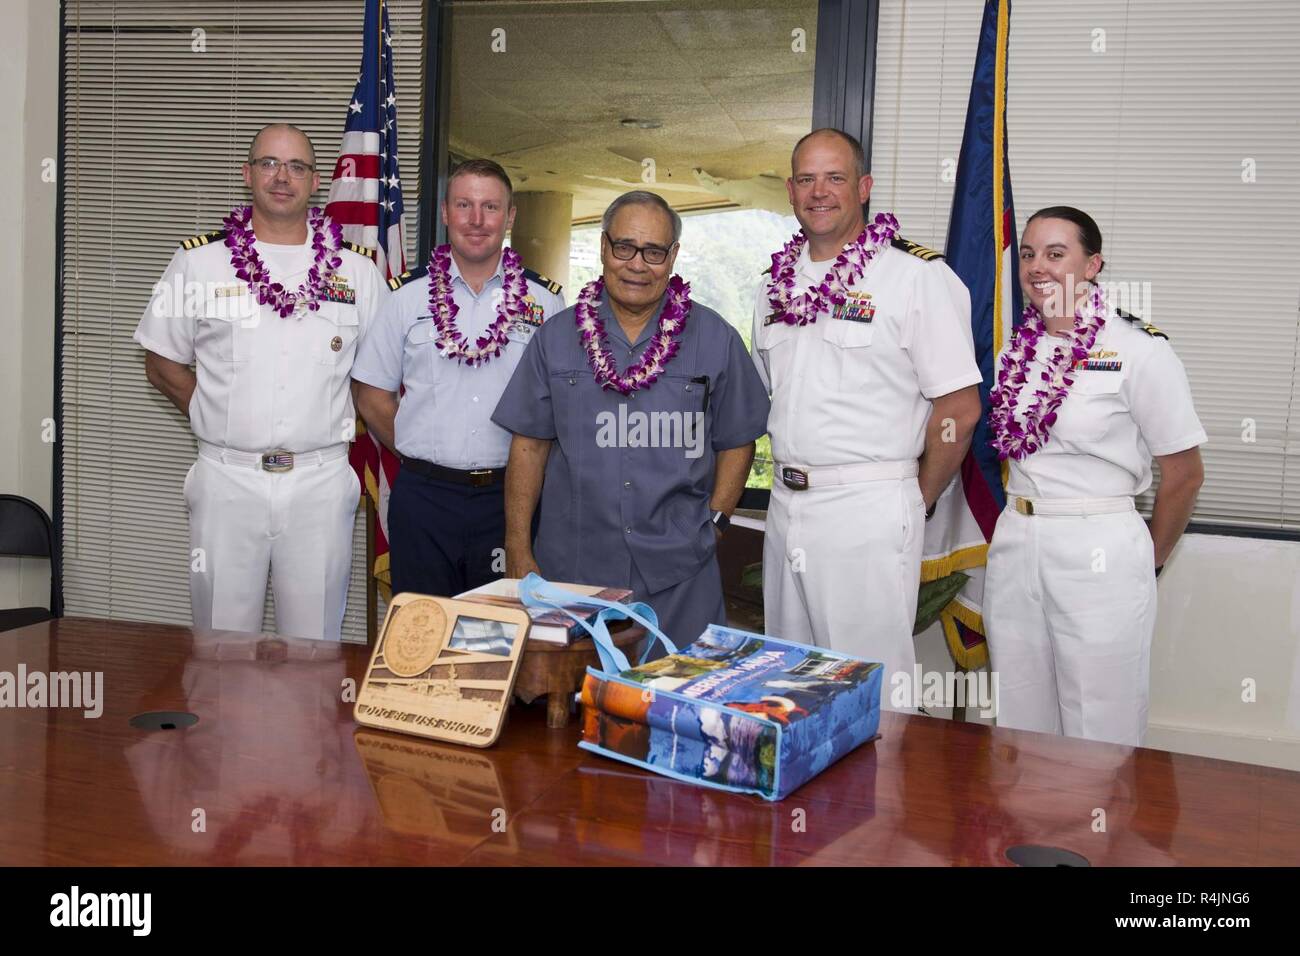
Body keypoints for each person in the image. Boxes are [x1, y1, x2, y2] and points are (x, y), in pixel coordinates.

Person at [751, 128, 983, 701]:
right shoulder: (771, 287)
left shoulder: (915, 277)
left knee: (870, 691)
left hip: (868, 507)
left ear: (864, 188)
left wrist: (916, 497)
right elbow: (771, 396)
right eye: (806, 179)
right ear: (790, 190)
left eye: (835, 178)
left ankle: (878, 795)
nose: (819, 191)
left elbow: (960, 409)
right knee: (790, 683)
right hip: (785, 506)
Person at [134, 123, 386, 640]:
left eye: (297, 166)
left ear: (316, 181)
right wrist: (215, 412)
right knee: (219, 646)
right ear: (247, 174)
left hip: (319, 481)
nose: (282, 177)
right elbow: (161, 361)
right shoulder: (198, 262)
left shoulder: (359, 273)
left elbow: (377, 378)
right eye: (269, 163)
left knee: (313, 648)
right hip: (227, 479)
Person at [493, 190, 770, 647]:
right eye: (624, 247)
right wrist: (518, 546)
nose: (637, 264)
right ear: (604, 247)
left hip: (680, 571)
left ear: (673, 256)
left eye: (654, 251)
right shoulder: (556, 338)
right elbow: (529, 445)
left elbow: (738, 439)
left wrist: (715, 522)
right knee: (572, 707)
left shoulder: (714, 337)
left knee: (679, 701)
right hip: (572, 571)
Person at [985, 206, 1205, 746]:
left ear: (1093, 265)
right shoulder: (1017, 349)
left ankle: (1098, 830)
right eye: (1030, 253)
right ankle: (1031, 826)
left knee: (1098, 714)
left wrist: (1146, 560)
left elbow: (1185, 474)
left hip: (1099, 544)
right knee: (1019, 706)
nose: (1038, 267)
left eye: (1057, 254)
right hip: (1018, 535)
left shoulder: (1139, 349)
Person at [351, 159, 565, 598]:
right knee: (422, 635)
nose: (476, 219)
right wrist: (424, 449)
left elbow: (557, 410)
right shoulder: (404, 297)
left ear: (510, 217)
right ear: (445, 212)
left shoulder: (545, 303)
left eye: (490, 207)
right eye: (464, 204)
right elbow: (371, 393)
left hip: (508, 502)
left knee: (499, 634)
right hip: (423, 499)